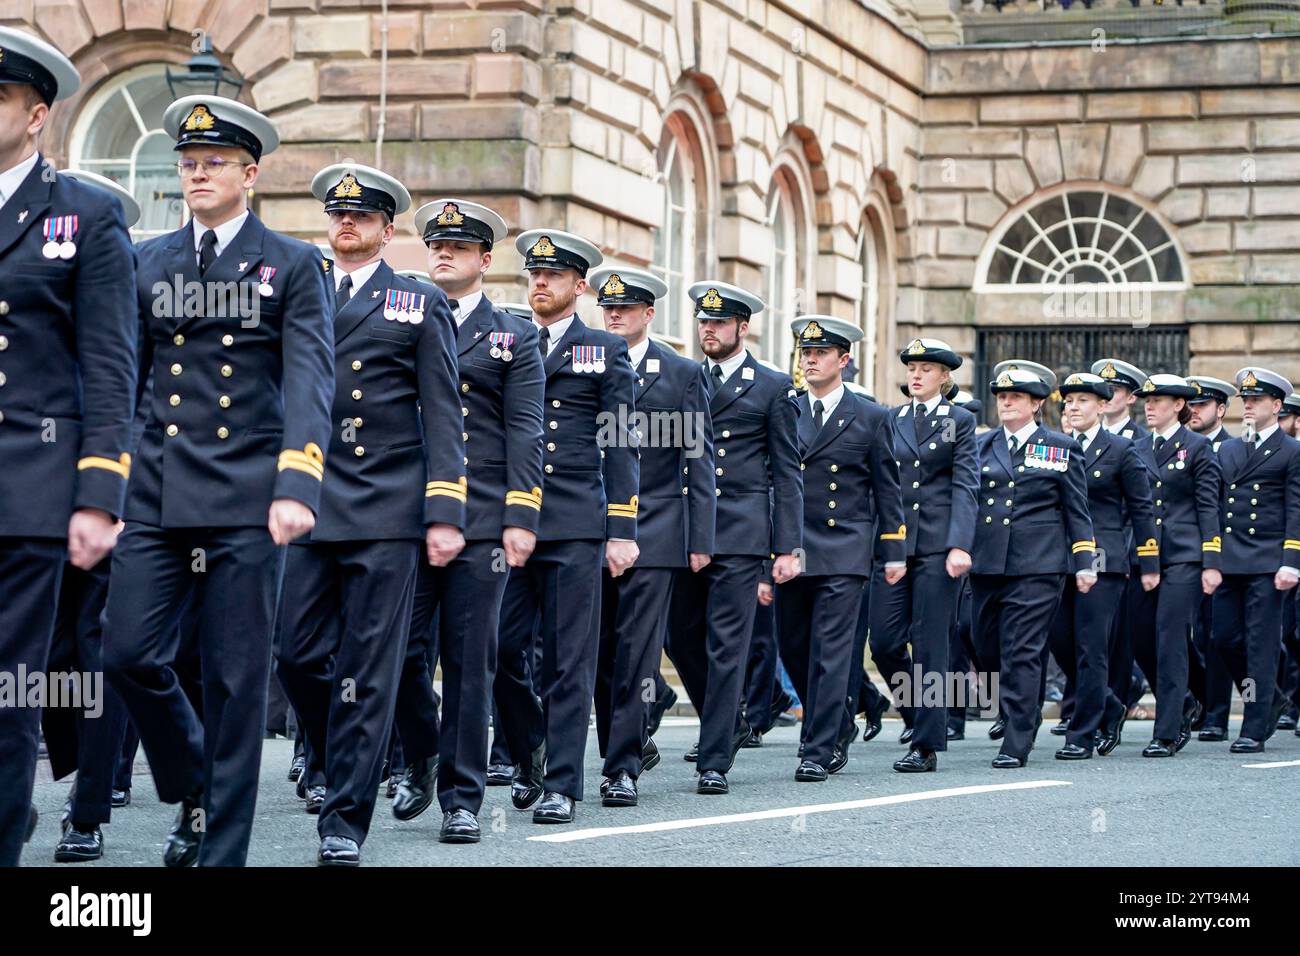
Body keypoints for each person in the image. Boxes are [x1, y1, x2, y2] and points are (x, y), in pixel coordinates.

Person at [102, 95, 334, 867]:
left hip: (246, 496)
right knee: (127, 653)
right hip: (159, 487)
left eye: (215, 164)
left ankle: (220, 848)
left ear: (251, 174)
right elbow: (127, 374)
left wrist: (299, 480)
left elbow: (308, 377)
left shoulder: (294, 265)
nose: (198, 175)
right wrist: (107, 482)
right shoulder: (151, 260)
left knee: (237, 681)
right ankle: (197, 781)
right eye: (190, 165)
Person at [273, 164, 465, 866]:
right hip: (312, 498)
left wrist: (445, 509)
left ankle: (344, 818)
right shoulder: (303, 289)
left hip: (388, 508)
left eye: (361, 216)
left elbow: (444, 414)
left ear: (387, 230)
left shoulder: (416, 303)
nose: (345, 223)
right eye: (336, 213)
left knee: (370, 666)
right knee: (294, 652)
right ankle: (345, 754)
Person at [0, 29, 138, 866]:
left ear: (37, 116)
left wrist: (98, 493)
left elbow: (110, 361)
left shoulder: (84, 213)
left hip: (30, 487)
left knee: (10, 691)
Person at [389, 198, 544, 843]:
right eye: (436, 244)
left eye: (459, 246)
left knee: (470, 658)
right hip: (405, 513)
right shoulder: (400, 315)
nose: (444, 253)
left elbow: (525, 427)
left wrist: (520, 513)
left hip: (480, 517)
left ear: (485, 259)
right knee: (397, 655)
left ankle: (461, 795)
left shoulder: (513, 333)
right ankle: (420, 753)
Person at [491, 229, 640, 825]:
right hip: (512, 519)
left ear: (580, 286)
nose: (540, 283)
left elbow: (621, 439)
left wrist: (621, 526)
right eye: (533, 274)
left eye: (553, 276)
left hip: (576, 521)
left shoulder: (603, 349)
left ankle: (561, 784)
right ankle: (532, 753)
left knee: (567, 659)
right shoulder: (508, 339)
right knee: (500, 649)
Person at [665, 282, 802, 795]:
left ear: (742, 328)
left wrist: (786, 548)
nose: (708, 330)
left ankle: (715, 756)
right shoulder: (683, 379)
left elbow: (787, 473)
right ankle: (727, 720)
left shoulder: (771, 386)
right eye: (703, 321)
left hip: (742, 533)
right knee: (679, 637)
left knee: (728, 645)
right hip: (683, 529)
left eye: (719, 323)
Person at [589, 266, 715, 806]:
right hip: (590, 526)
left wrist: (700, 537)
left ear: (648, 314)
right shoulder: (585, 360)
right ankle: (625, 740)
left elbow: (699, 461)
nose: (614, 315)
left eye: (626, 308)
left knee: (637, 653)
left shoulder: (681, 373)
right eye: (608, 307)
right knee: (595, 650)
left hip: (657, 529)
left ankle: (621, 767)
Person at [777, 317, 905, 780]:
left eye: (820, 353)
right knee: (793, 646)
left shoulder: (871, 416)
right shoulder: (786, 408)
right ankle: (831, 723)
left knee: (832, 650)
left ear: (843, 360)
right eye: (805, 353)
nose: (809, 360)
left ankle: (820, 743)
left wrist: (893, 550)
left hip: (845, 547)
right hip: (792, 546)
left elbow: (887, 490)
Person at [970, 366, 1096, 768]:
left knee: (1022, 650)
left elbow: (1077, 510)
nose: (1006, 402)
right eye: (1002, 396)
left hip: (1038, 565)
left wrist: (1084, 561)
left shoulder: (1059, 447)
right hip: (987, 562)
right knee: (984, 643)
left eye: (1016, 397)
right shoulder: (980, 445)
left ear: (1037, 403)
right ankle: (1016, 705)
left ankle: (1017, 738)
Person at [869, 338, 977, 773]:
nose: (916, 375)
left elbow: (966, 485)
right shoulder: (889, 419)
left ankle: (926, 745)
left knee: (932, 645)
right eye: (912, 368)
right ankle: (916, 715)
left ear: (945, 377)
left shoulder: (959, 421)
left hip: (937, 546)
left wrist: (960, 544)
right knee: (885, 642)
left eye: (926, 369)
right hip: (893, 545)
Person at [1048, 372, 1159, 759]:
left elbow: (1142, 507)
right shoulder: (1057, 446)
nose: (1073, 408)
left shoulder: (1120, 450)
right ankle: (1110, 704)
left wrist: (1148, 560)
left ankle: (1082, 731)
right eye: (1069, 401)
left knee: (1090, 645)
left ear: (1101, 405)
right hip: (1058, 557)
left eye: (1081, 401)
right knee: (1059, 639)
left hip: (1103, 557)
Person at [1128, 373, 1223, 757]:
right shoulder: (1135, 446)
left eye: (1159, 400)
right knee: (1139, 637)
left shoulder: (1198, 447)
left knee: (1170, 638)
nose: (1149, 406)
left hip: (1183, 554)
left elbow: (1208, 506)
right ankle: (1185, 700)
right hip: (1143, 554)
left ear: (1179, 405)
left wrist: (1211, 560)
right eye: (1146, 401)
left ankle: (1166, 730)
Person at [1210, 367, 1300, 753]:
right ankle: (1271, 697)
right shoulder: (1229, 449)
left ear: (1276, 406)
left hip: (1267, 559)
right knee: (1224, 638)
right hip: (1230, 558)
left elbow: (1295, 508)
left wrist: (1291, 560)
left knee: (1261, 644)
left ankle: (1254, 722)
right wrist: (1210, 558)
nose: (1247, 406)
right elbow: (1213, 505)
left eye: (1256, 400)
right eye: (1245, 400)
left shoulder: (1292, 451)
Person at [1186, 376, 1238, 741]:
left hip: (1222, 552)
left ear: (1220, 410)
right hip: (1182, 550)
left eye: (1202, 405)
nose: (1194, 411)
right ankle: (1201, 701)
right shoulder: (1178, 446)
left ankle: (1217, 714)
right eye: (1190, 404)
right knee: (1179, 634)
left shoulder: (1233, 449)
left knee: (1216, 636)